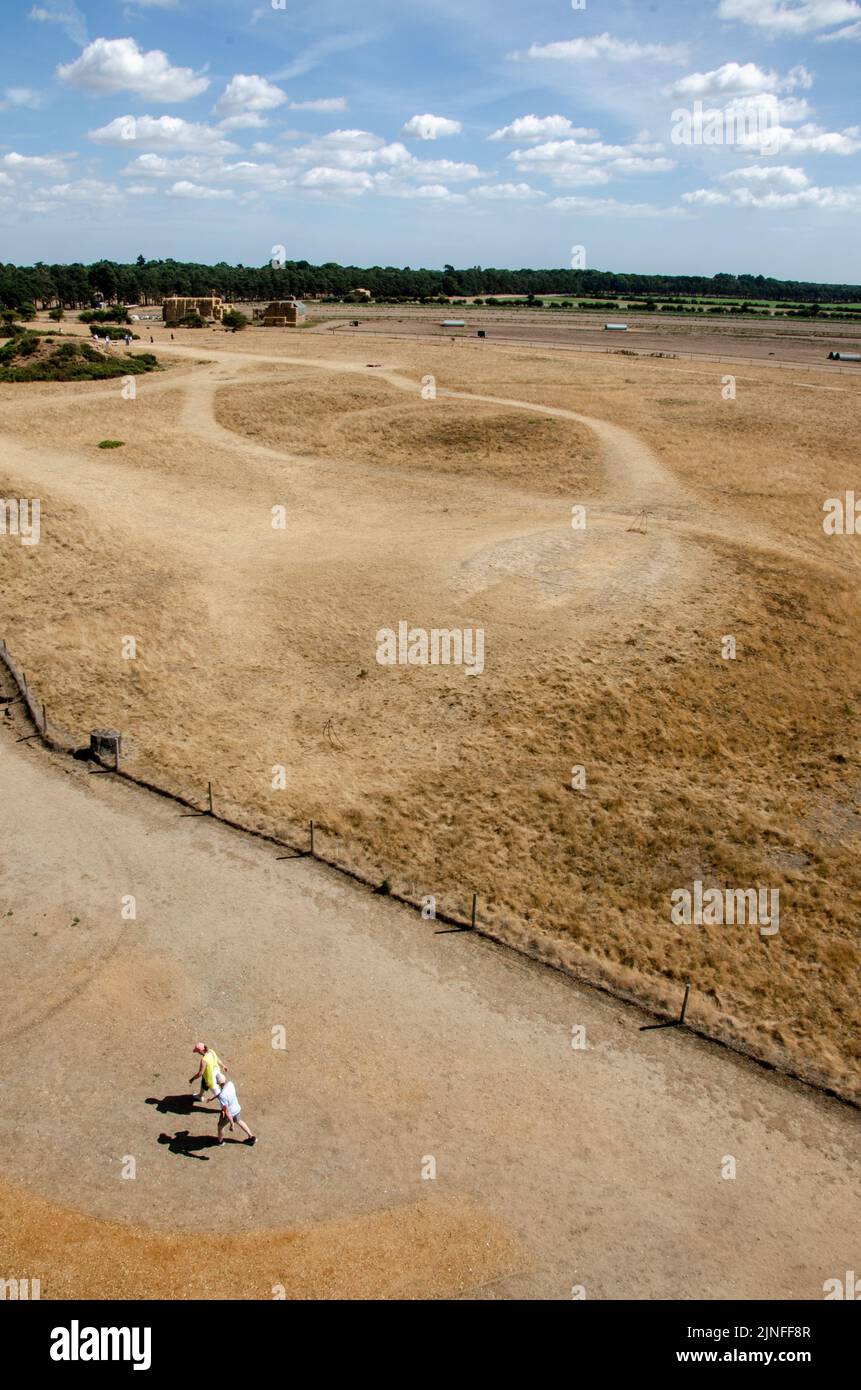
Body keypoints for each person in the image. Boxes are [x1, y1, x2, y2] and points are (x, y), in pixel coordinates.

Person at [213, 1071, 256, 1145]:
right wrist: (213, 1098)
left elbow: (226, 1111)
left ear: (218, 1083)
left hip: (227, 1113)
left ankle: (220, 1141)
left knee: (220, 1126)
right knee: (239, 1121)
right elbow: (223, 1092)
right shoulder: (230, 1084)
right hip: (236, 1108)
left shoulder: (223, 1095)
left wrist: (231, 1123)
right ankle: (251, 1136)